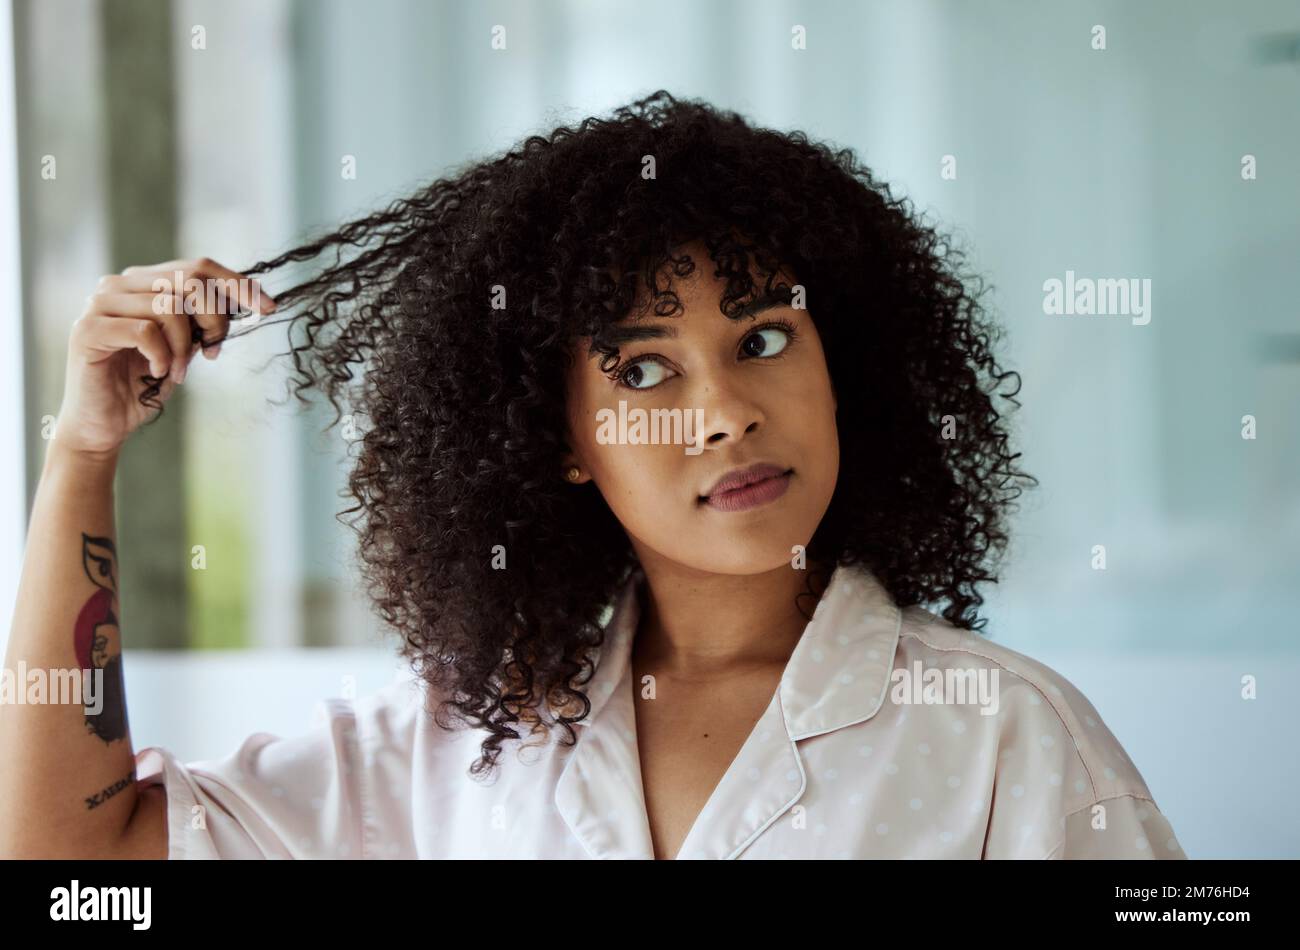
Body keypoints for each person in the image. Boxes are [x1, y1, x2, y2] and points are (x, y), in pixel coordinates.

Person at [0, 91, 1185, 859]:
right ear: (557, 432)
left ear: (843, 368)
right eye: (644, 369)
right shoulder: (462, 742)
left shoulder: (1004, 737)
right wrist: (81, 453)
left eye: (764, 338)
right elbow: (75, 869)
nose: (725, 413)